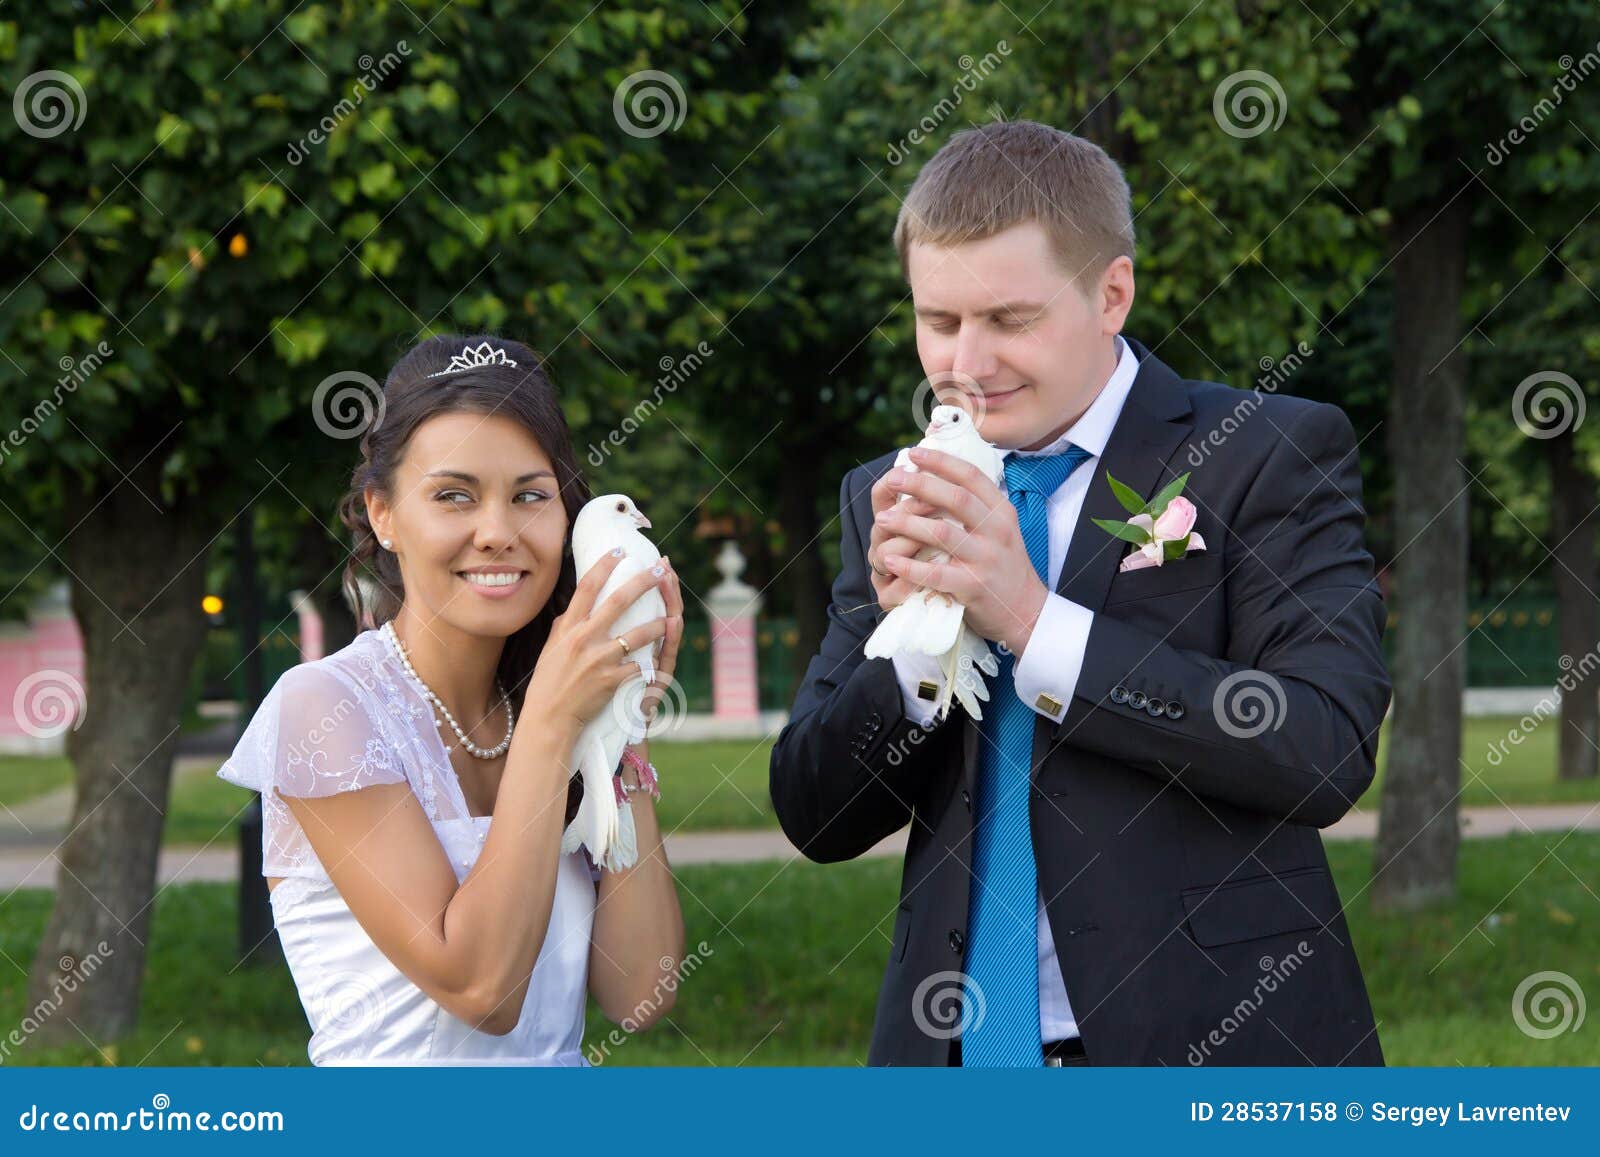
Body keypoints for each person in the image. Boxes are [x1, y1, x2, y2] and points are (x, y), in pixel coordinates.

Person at [769, 120, 1391, 1067]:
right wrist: (905, 654)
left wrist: (1029, 619)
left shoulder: (1263, 454)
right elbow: (817, 816)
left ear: (1113, 292)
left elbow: (1322, 748)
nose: (964, 366)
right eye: (937, 321)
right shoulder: (889, 493)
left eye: (1009, 320)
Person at [218, 334, 685, 1065]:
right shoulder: (323, 710)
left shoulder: (548, 700)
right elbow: (482, 990)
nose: (497, 533)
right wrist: (555, 723)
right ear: (384, 514)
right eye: (453, 496)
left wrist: (619, 727)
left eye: (531, 495)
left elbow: (643, 994)